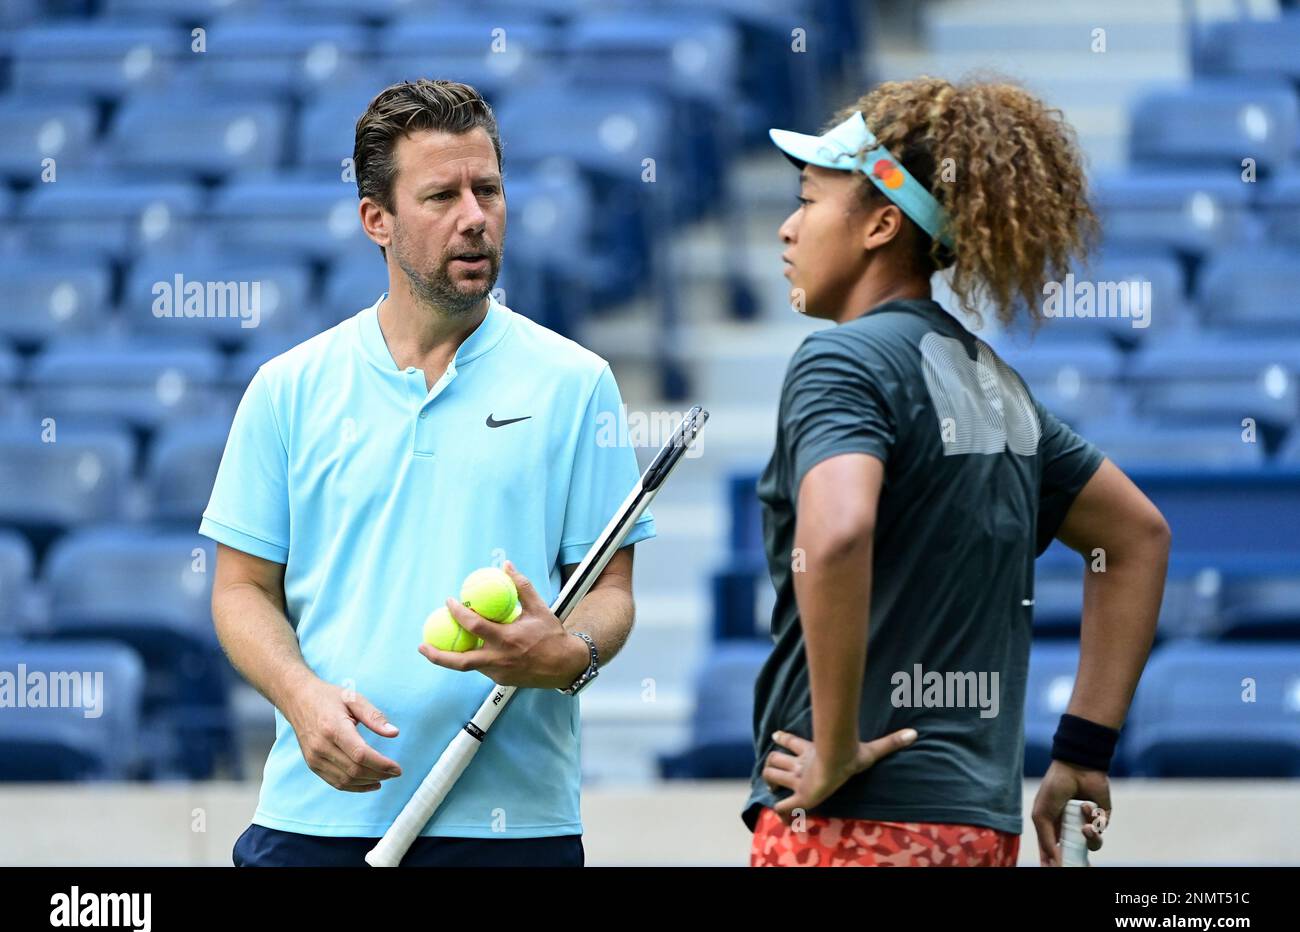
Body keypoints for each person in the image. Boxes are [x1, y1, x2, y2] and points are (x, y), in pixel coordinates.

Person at [202, 79, 654, 866]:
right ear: (376, 220)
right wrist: (302, 699)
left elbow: (610, 593)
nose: (475, 217)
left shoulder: (577, 383)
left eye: (489, 190)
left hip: (513, 829)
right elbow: (241, 590)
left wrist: (568, 653)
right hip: (316, 820)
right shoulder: (287, 387)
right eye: (442, 195)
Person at [744, 76, 1171, 867]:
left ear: (879, 223)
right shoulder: (997, 386)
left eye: (808, 200)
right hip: (976, 830)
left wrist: (835, 747)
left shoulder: (840, 360)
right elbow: (1138, 538)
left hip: (852, 826)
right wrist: (1082, 751)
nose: (786, 229)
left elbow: (837, 535)